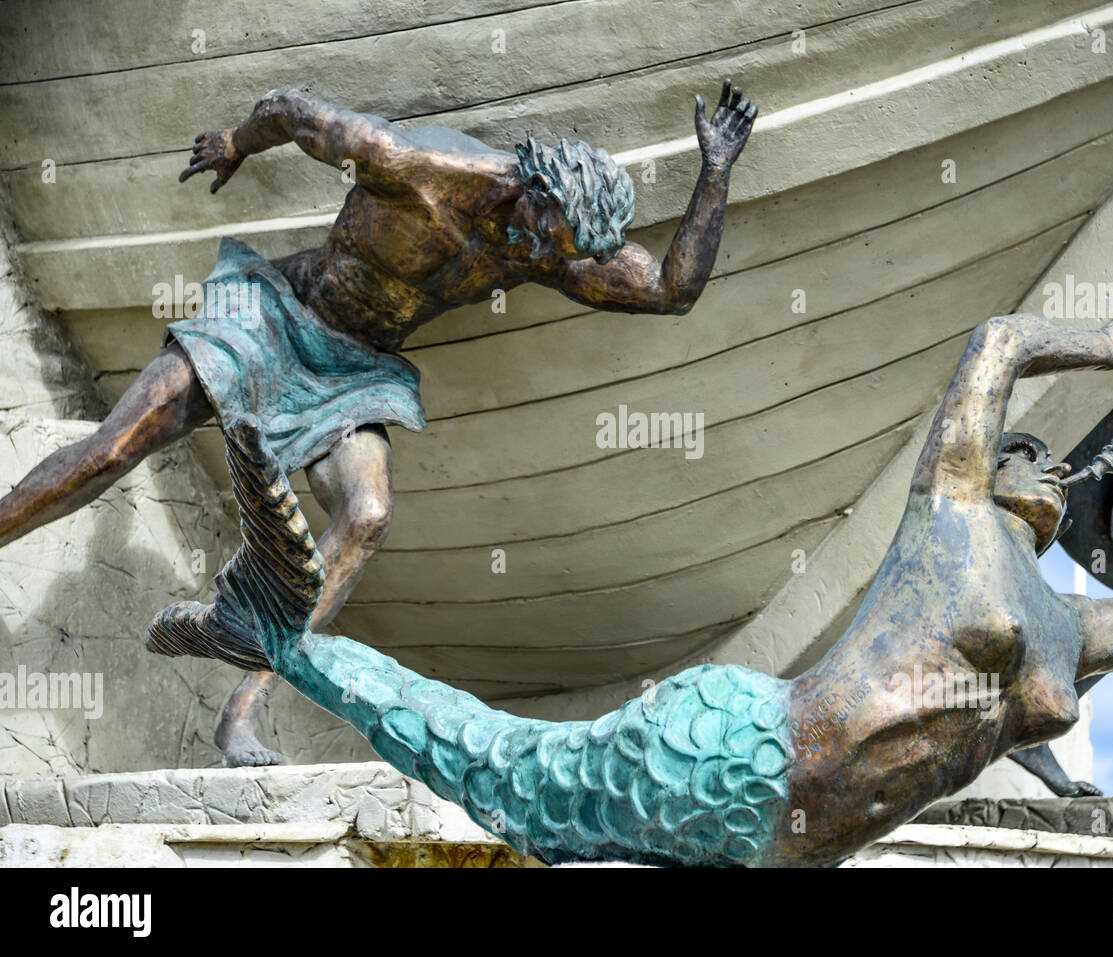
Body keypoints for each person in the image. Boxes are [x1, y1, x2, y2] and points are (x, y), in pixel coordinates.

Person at [150, 305, 1113, 866]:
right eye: (1024, 451)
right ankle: (273, 634)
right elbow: (997, 344)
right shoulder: (952, 516)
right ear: (990, 472)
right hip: (735, 758)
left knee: (516, 779)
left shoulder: (1068, 630)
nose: (1045, 463)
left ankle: (257, 628)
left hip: (781, 843)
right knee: (504, 766)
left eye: (1056, 460)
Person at [0, 80, 758, 767]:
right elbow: (292, 110)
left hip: (355, 371)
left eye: (556, 258)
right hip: (272, 313)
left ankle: (242, 710)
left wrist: (715, 172)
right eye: (540, 240)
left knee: (368, 514)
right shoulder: (415, 166)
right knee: (112, 450)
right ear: (535, 188)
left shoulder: (547, 244)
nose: (541, 261)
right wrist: (233, 144)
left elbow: (668, 289)